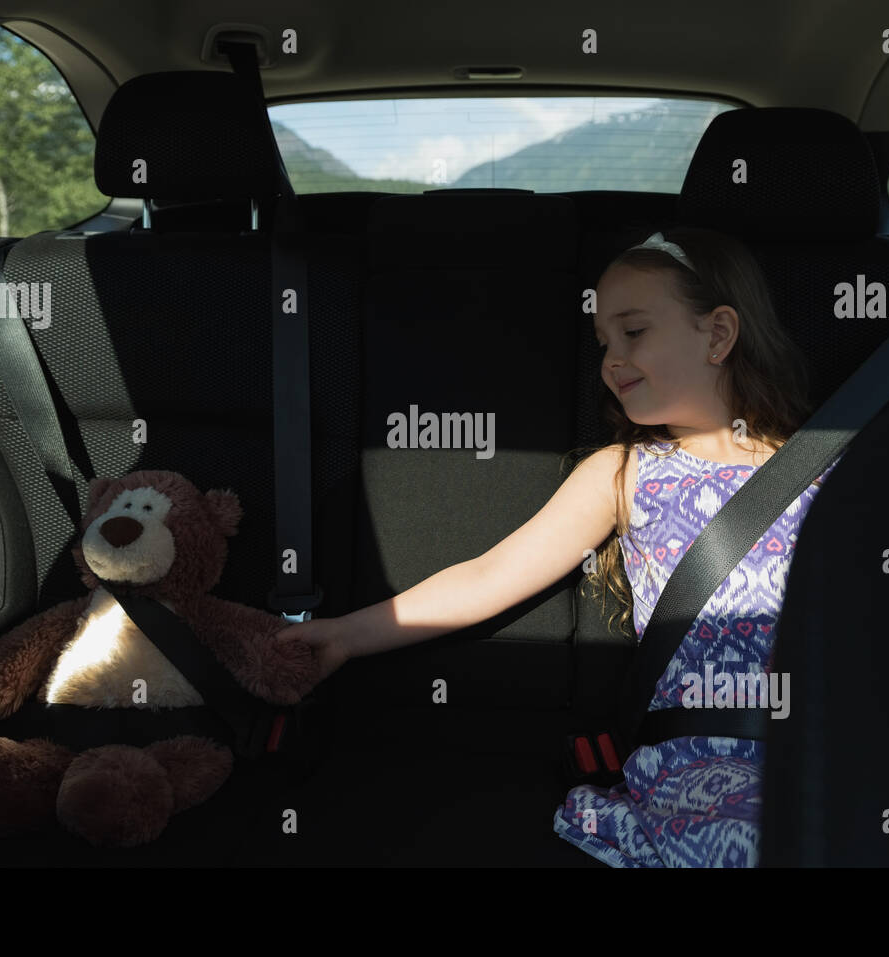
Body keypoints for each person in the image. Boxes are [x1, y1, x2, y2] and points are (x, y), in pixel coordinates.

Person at [285, 225, 840, 866]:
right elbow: (487, 577)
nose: (610, 359)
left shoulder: (835, 466)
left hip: (829, 743)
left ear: (717, 334)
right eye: (603, 341)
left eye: (634, 332)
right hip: (701, 761)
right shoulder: (622, 473)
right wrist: (345, 636)